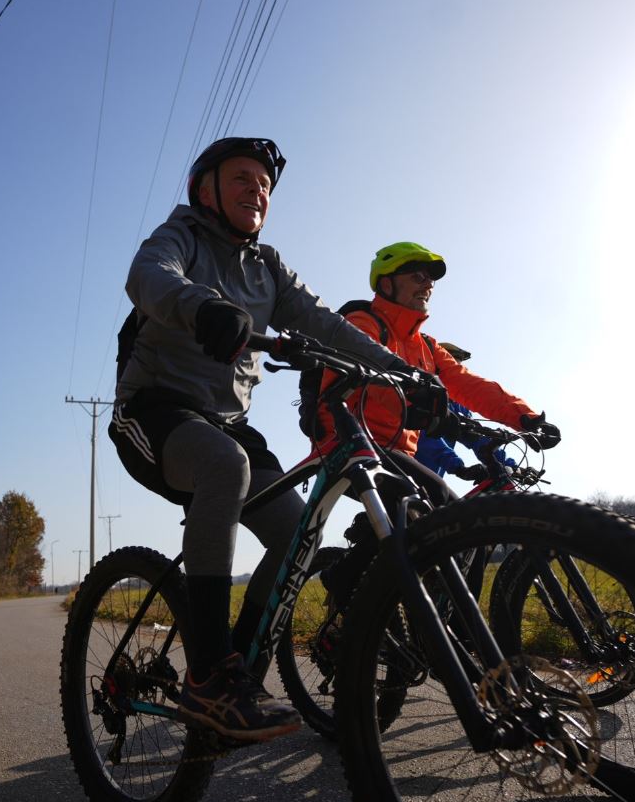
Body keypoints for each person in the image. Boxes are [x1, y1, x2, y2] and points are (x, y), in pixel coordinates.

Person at [110, 137, 408, 743]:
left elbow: (323, 322)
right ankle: (209, 675)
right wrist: (203, 308)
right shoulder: (180, 237)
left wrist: (406, 373)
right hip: (156, 412)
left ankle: (239, 667)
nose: (258, 190)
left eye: (265, 184)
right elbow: (148, 277)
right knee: (225, 466)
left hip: (228, 424)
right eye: (243, 178)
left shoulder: (268, 264)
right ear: (205, 189)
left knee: (301, 529)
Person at [310, 241, 560, 507]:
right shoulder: (362, 323)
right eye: (418, 276)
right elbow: (376, 380)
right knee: (436, 501)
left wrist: (525, 418)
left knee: (432, 517)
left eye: (431, 280)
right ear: (386, 284)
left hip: (397, 453)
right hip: (348, 444)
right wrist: (425, 411)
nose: (428, 285)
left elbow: (467, 384)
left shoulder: (427, 345)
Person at [412, 341, 516, 484]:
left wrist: (511, 465)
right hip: (405, 470)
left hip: (431, 478)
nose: (455, 371)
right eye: (451, 364)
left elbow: (476, 437)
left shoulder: (457, 404)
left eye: (457, 366)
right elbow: (424, 438)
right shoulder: (420, 393)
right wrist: (459, 468)